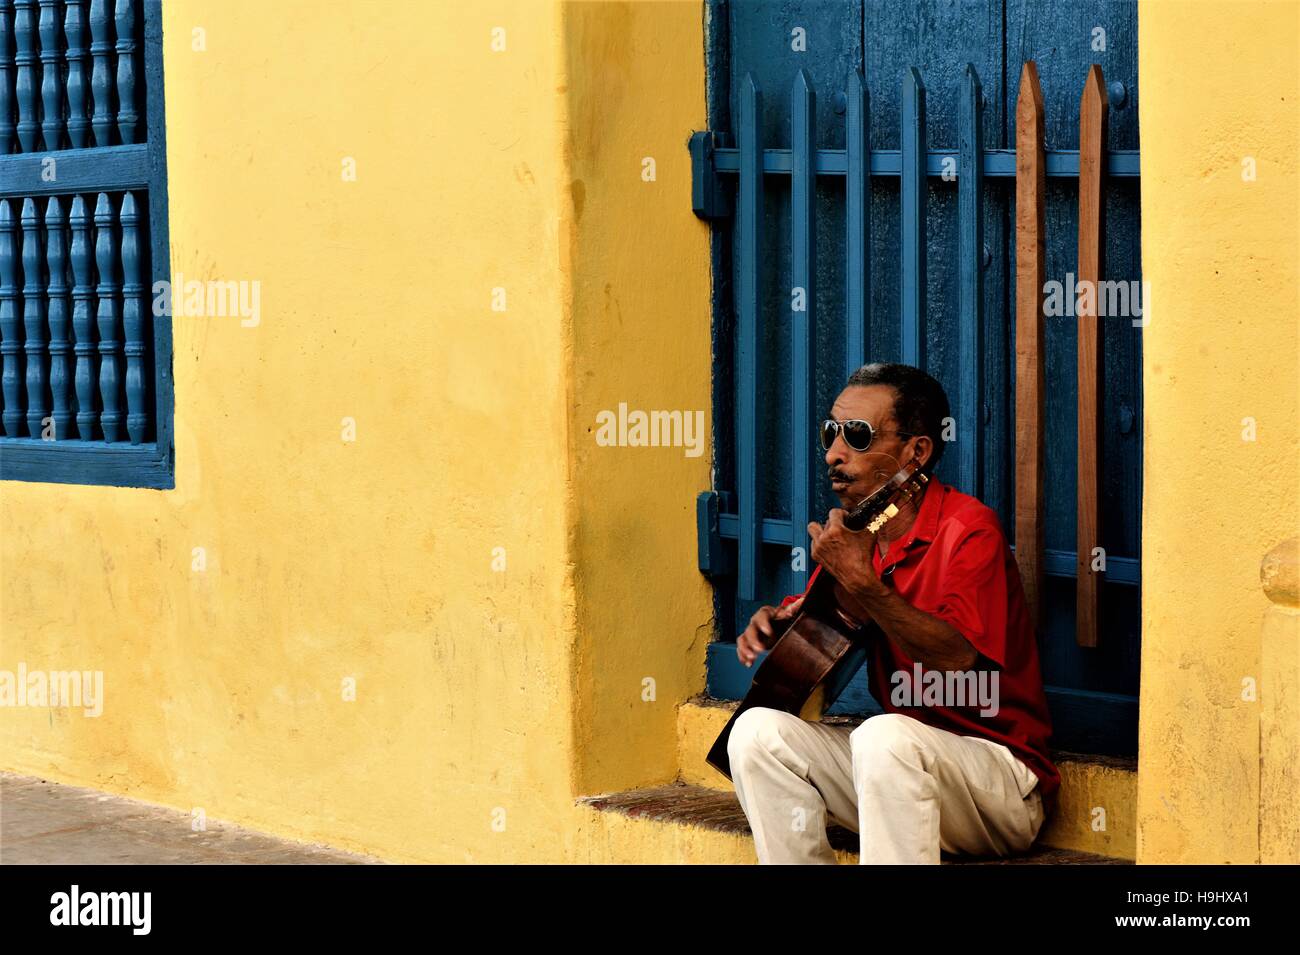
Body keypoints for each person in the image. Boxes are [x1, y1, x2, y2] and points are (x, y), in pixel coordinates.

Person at [728, 362, 1058, 864]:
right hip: (897, 781)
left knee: (884, 735)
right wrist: (781, 624)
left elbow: (956, 659)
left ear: (916, 451)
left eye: (857, 436)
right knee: (756, 734)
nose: (834, 453)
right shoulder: (861, 531)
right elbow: (824, 625)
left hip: (999, 785)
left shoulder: (970, 530)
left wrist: (864, 583)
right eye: (830, 433)